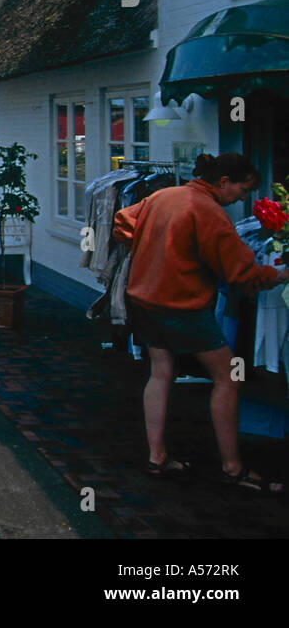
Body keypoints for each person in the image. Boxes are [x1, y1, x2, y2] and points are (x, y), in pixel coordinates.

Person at [113, 152, 289, 494]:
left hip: (144, 301)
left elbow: (122, 222)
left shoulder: (163, 196)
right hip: (182, 307)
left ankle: (157, 457)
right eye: (240, 191)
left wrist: (157, 247)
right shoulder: (210, 213)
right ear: (224, 182)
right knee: (227, 376)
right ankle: (232, 467)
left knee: (160, 372)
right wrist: (279, 274)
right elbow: (242, 275)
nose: (241, 199)